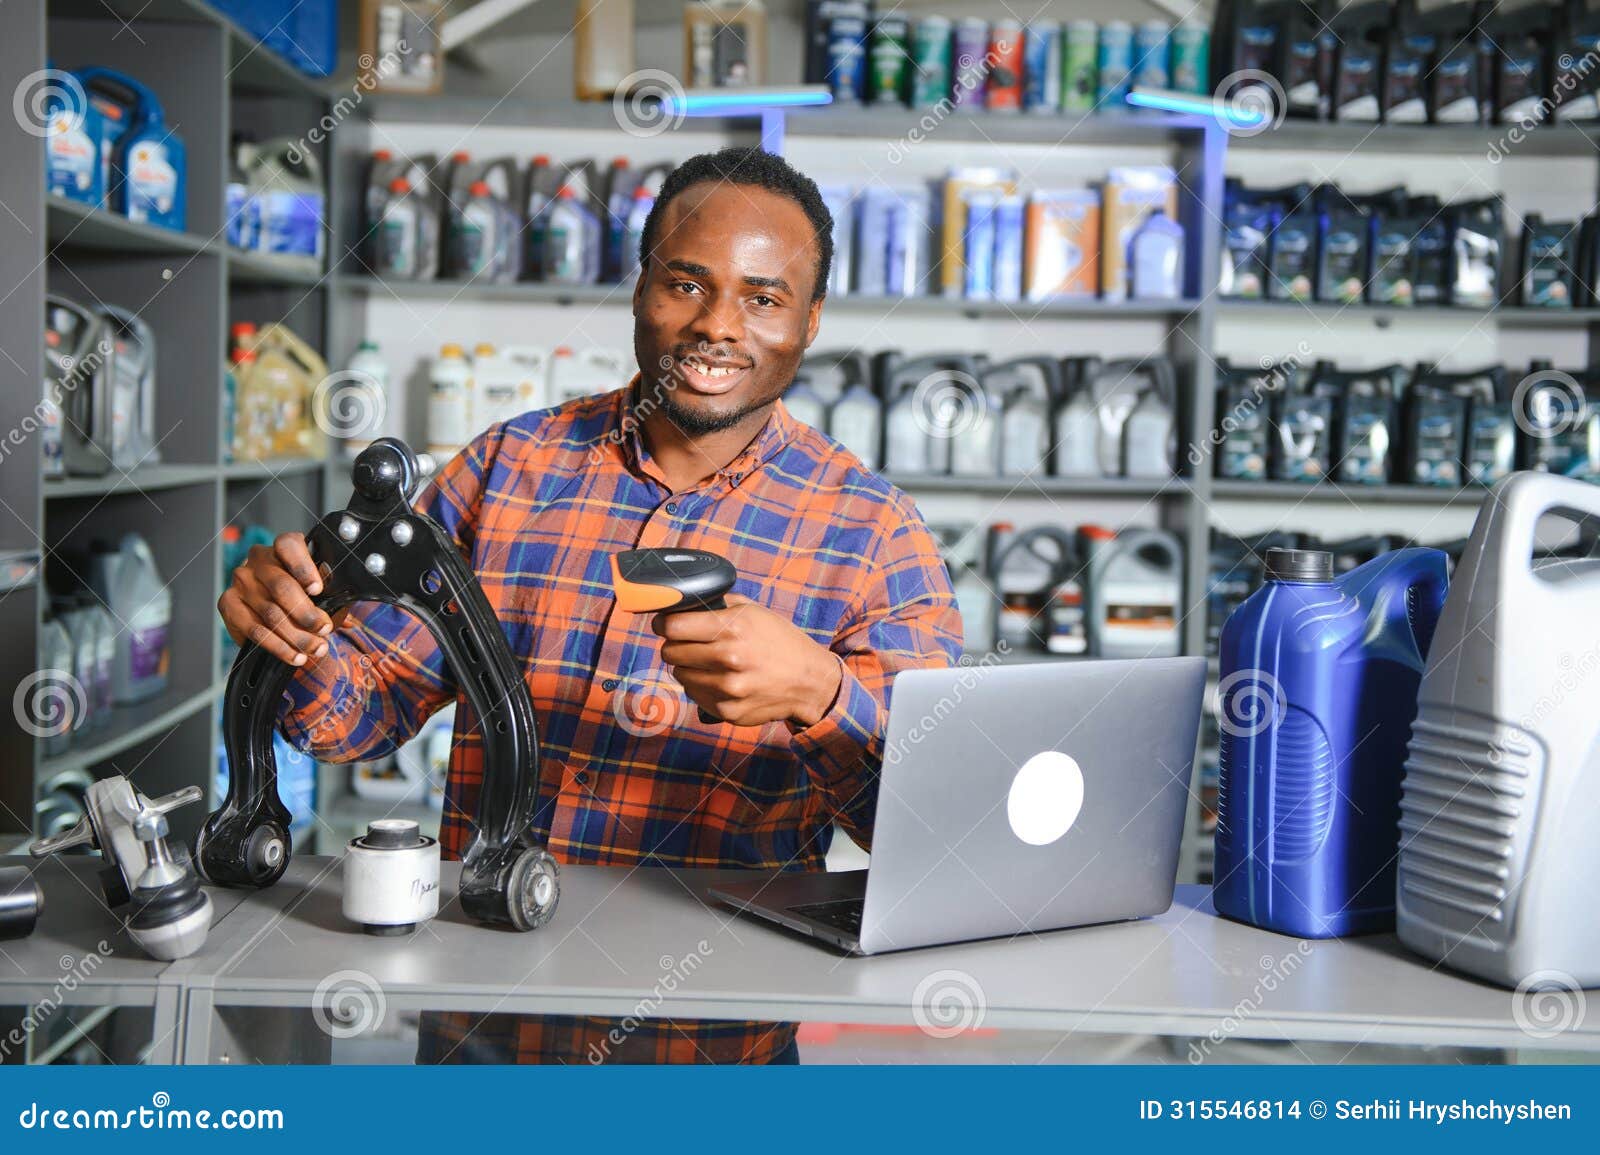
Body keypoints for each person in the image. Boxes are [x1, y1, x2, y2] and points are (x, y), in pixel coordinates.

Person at [217, 146, 962, 1064]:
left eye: (764, 298)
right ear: (640, 284)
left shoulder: (876, 532)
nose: (718, 325)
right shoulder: (506, 468)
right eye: (687, 283)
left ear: (809, 320)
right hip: (484, 1042)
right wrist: (289, 632)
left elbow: (935, 846)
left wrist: (819, 694)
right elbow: (356, 716)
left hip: (713, 1060)